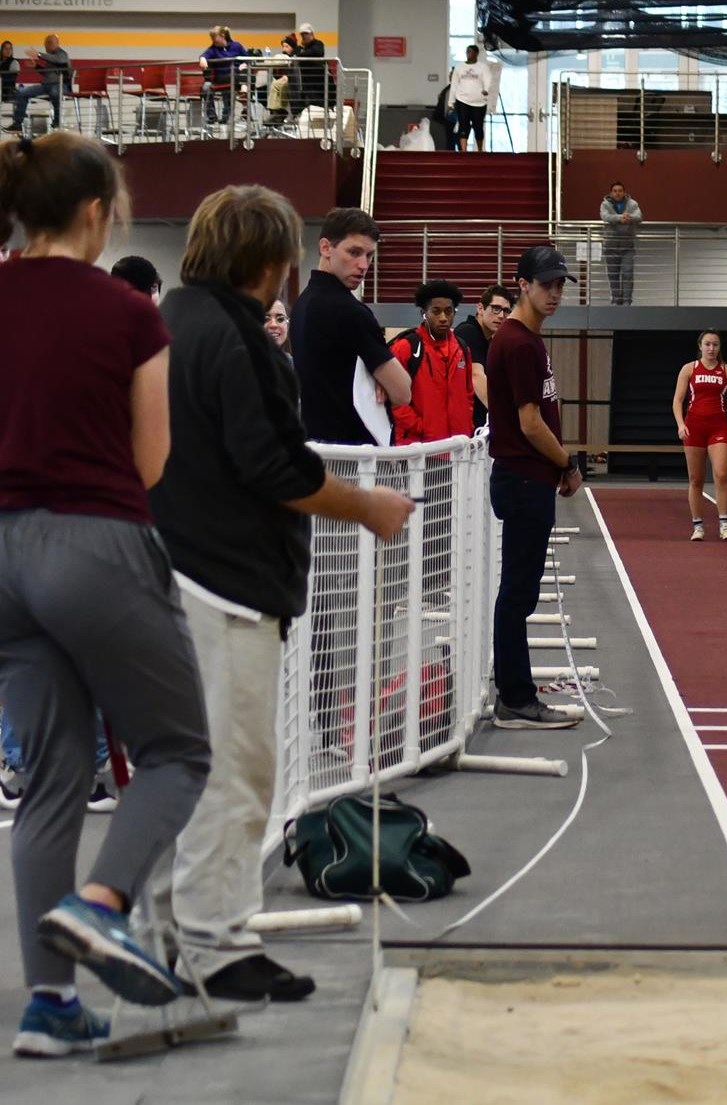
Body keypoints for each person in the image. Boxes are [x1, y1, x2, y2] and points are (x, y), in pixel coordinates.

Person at [150, 184, 414, 1004]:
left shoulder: (173, 323)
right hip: (219, 582)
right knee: (235, 769)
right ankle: (214, 941)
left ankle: (180, 927)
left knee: (203, 766)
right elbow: (271, 462)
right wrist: (366, 505)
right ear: (269, 259)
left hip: (181, 568)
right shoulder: (230, 338)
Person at [0, 131, 215, 1058]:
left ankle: (50, 1003)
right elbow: (151, 457)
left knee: (48, 782)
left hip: (0, 554)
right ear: (97, 214)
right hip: (94, 541)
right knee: (175, 752)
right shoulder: (127, 311)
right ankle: (103, 903)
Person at [488, 246, 583, 729]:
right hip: (525, 477)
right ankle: (515, 699)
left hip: (525, 477)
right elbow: (529, 423)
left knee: (518, 593)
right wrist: (567, 463)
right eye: (547, 284)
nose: (555, 292)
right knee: (518, 594)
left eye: (560, 284)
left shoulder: (524, 339)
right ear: (522, 283)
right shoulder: (521, 343)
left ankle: (513, 691)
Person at [291, 207, 411, 445]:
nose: (363, 264)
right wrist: (378, 379)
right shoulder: (350, 311)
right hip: (355, 455)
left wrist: (373, 377)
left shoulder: (301, 305)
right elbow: (403, 391)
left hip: (314, 448)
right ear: (326, 248)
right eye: (354, 252)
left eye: (369, 255)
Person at [672, 330, 727, 542]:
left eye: (715, 344)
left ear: (719, 347)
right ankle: (698, 525)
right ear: (700, 346)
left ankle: (724, 523)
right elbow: (677, 400)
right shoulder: (689, 369)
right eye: (707, 344)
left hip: (718, 428)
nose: (711, 348)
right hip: (693, 428)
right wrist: (680, 424)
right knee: (696, 479)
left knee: (721, 474)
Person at [388, 279, 475, 445]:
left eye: (448, 311)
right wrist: (422, 426)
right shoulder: (406, 347)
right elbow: (393, 400)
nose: (443, 318)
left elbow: (468, 395)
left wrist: (466, 427)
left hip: (457, 449)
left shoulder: (462, 349)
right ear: (424, 313)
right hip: (417, 448)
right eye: (436, 311)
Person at [455, 283, 509, 427]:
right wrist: (504, 417)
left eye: (506, 311)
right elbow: (476, 376)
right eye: (496, 308)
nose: (501, 315)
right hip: (461, 426)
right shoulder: (469, 332)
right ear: (480, 308)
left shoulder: (488, 341)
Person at [7, 35, 69, 135]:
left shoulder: (62, 54)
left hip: (60, 85)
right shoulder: (50, 57)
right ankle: (17, 124)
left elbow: (59, 60)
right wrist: (36, 66)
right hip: (46, 85)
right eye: (45, 44)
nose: (47, 46)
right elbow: (48, 73)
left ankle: (57, 121)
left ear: (57, 43)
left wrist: (39, 54)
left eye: (49, 43)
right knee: (22, 93)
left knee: (54, 92)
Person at [600, 182, 641, 306]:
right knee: (613, 275)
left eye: (620, 190)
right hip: (610, 246)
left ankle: (627, 300)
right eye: (615, 191)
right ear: (611, 193)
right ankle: (616, 300)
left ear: (624, 192)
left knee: (627, 273)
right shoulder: (605, 204)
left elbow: (639, 216)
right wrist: (619, 218)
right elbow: (605, 216)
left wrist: (629, 218)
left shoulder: (632, 204)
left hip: (627, 246)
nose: (617, 193)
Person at [198, 26, 248, 127]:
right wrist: (202, 59)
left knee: (235, 79)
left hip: (235, 77)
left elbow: (247, 58)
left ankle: (226, 117)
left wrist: (245, 64)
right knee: (206, 87)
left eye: (214, 37)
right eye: (211, 37)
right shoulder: (213, 49)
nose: (212, 40)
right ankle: (212, 117)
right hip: (220, 78)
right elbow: (204, 55)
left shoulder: (236, 46)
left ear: (223, 36)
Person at [448, 45, 493, 152]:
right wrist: (451, 102)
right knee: (463, 125)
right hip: (462, 100)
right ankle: (464, 150)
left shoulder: (482, 67)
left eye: (471, 52)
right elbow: (454, 85)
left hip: (479, 102)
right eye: (467, 52)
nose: (469, 54)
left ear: (476, 53)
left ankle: (480, 149)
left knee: (478, 127)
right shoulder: (459, 67)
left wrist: (486, 89)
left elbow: (488, 79)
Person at [1, 42, 19, 107]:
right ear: (2, 50)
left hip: (8, 93)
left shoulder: (14, 62)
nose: (8, 51)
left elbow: (11, 78)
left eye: (10, 49)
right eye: (5, 48)